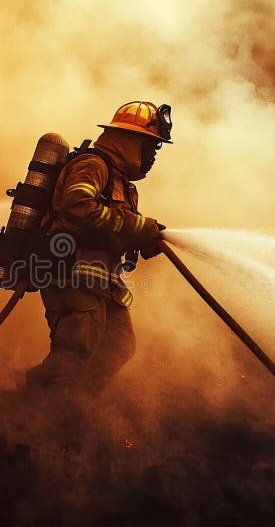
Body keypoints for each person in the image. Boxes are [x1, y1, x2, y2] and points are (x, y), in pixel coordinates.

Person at [26, 101, 172, 391]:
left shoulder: (123, 184)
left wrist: (141, 238)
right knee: (73, 353)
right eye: (151, 146)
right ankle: (25, 408)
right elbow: (78, 207)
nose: (153, 155)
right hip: (71, 272)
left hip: (102, 280)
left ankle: (77, 404)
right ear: (130, 140)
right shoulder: (92, 165)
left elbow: (111, 224)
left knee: (118, 346)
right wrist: (138, 227)